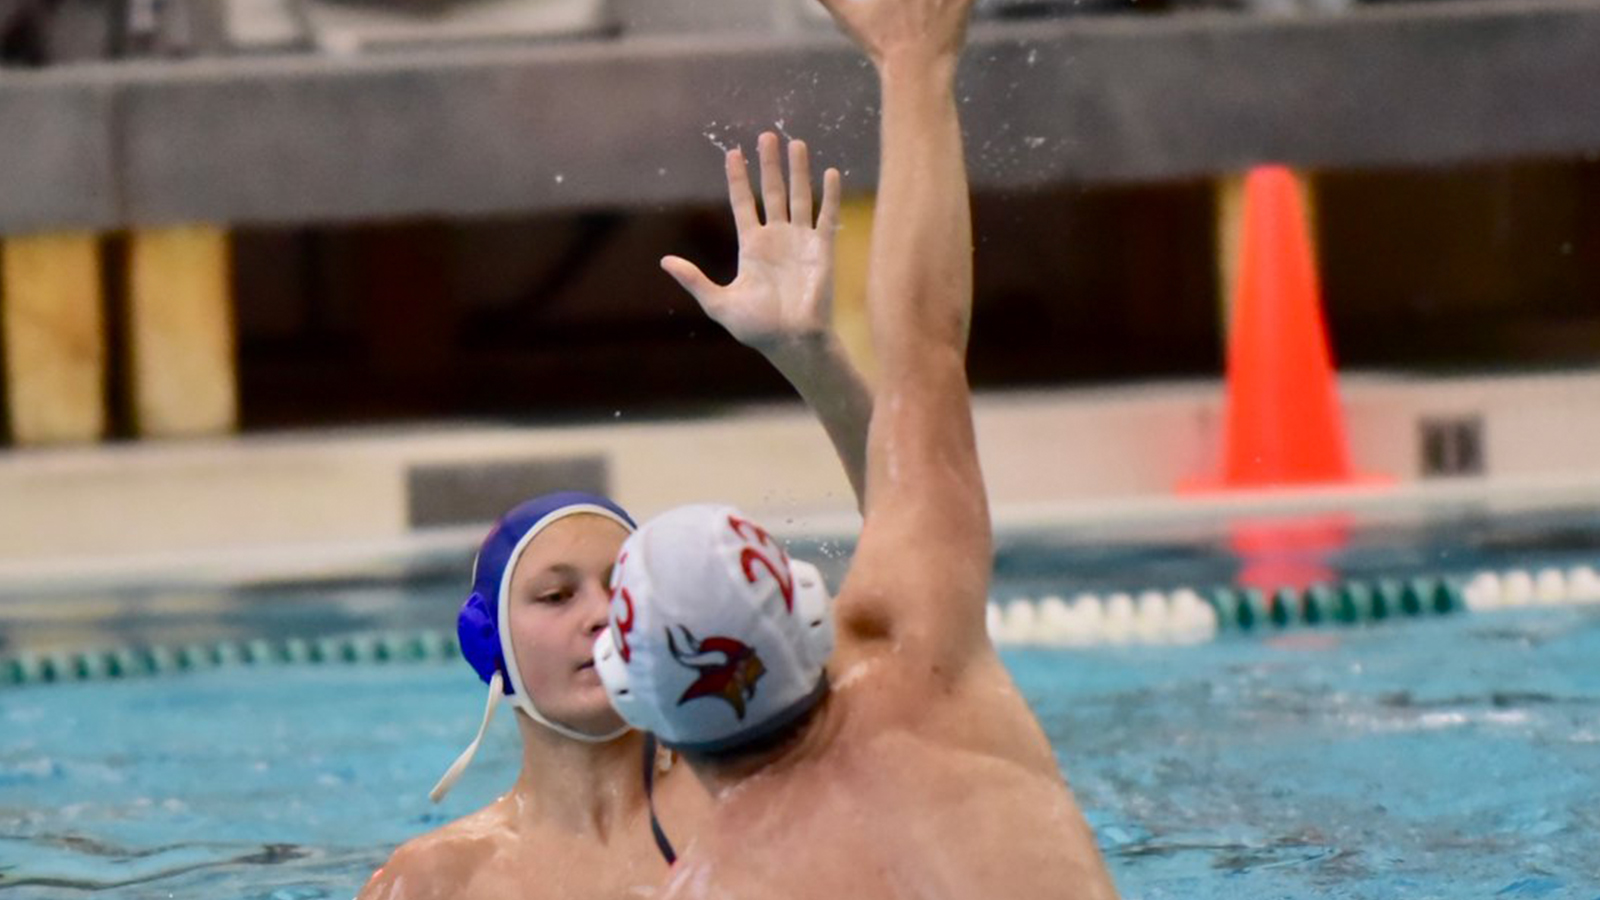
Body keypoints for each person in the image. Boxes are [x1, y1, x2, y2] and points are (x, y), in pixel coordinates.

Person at [593, 0, 1121, 896]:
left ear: (637, 709)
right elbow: (924, 351)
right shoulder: (926, 659)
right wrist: (915, 61)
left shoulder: (716, 887)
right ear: (812, 612)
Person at [358, 134, 872, 900]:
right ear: (486, 644)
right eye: (557, 594)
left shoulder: (764, 806)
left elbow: (914, 569)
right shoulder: (439, 880)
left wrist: (812, 357)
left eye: (621, 586)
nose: (603, 616)